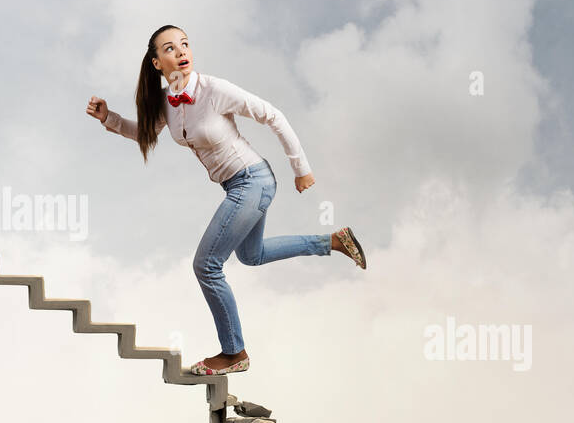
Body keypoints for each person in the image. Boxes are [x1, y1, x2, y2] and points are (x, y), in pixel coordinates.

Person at [87, 24, 366, 376]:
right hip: (237, 186)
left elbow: (272, 115)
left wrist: (302, 169)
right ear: (157, 63)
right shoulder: (166, 102)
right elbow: (142, 132)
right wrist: (107, 118)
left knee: (206, 266)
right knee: (252, 255)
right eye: (170, 48)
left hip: (252, 181)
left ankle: (234, 353)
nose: (181, 52)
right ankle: (335, 241)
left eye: (185, 44)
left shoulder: (214, 89)